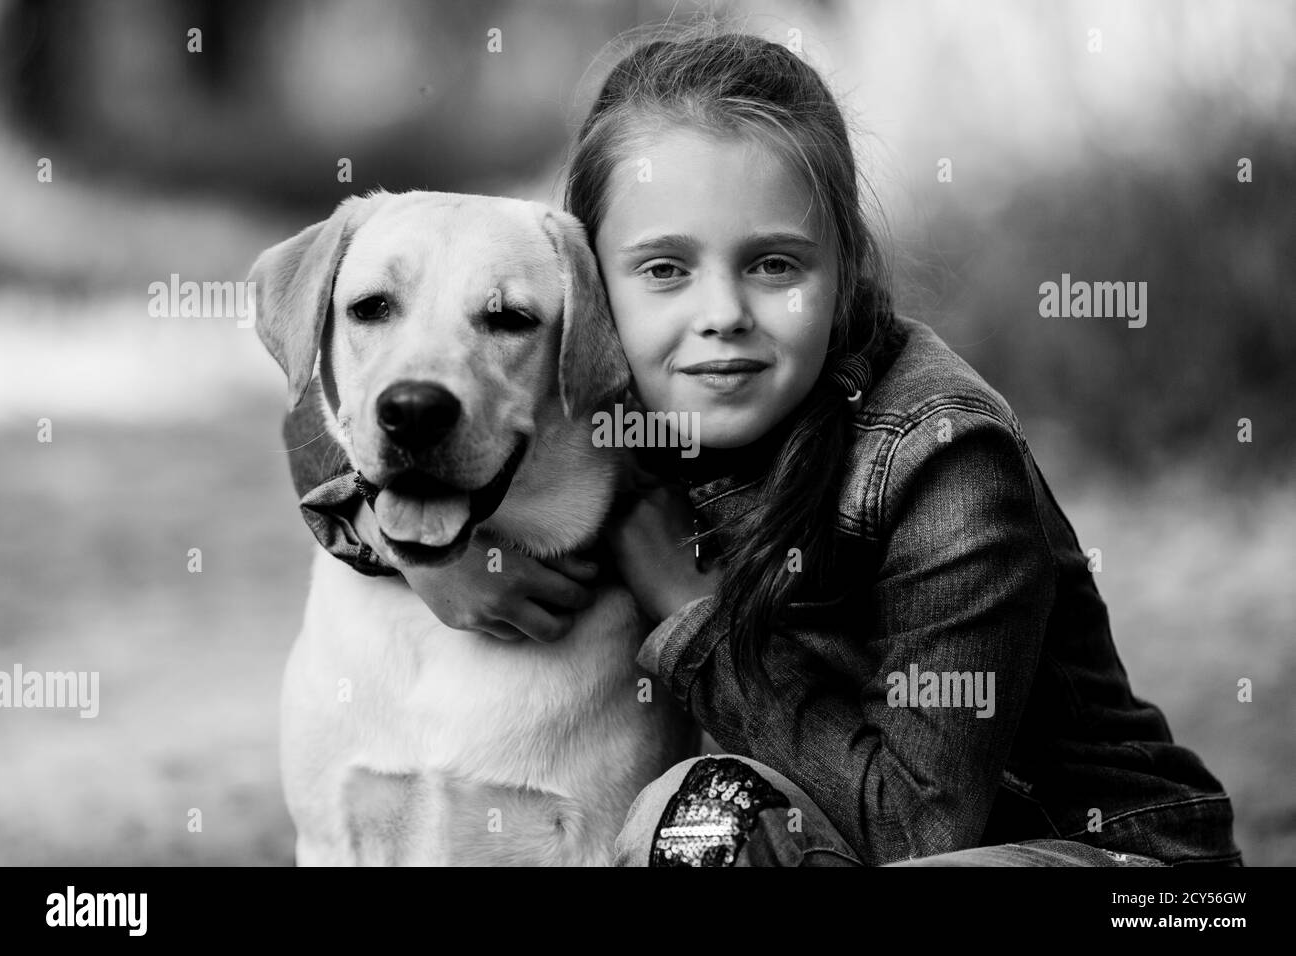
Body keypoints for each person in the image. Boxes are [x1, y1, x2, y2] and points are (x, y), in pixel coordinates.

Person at [280, 30, 1241, 867]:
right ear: (595, 294)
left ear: (848, 268)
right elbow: (368, 401)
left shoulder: (944, 462)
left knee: (700, 822)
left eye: (775, 264)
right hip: (845, 833)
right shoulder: (623, 393)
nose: (722, 317)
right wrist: (413, 544)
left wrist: (689, 613)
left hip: (1084, 851)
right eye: (663, 269)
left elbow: (918, 829)